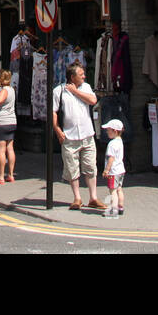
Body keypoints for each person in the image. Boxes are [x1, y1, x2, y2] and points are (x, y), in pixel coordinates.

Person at [52, 64, 104, 211]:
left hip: (87, 135)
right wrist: (57, 129)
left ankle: (93, 198)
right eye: (81, 74)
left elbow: (93, 101)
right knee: (72, 169)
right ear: (72, 77)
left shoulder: (86, 87)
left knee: (90, 167)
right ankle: (77, 198)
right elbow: (53, 111)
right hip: (69, 137)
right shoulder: (59, 91)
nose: (84, 76)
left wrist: (75, 92)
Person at [0, 70, 17, 184]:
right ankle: (10, 174)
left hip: (2, 122)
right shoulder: (11, 90)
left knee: (1, 150)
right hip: (11, 121)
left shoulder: (4, 90)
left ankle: (1, 177)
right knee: (10, 148)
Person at [102, 118, 126, 217]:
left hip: (113, 171)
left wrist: (106, 170)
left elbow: (111, 158)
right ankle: (121, 206)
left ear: (115, 131)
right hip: (121, 170)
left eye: (108, 130)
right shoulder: (120, 141)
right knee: (119, 189)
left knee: (113, 191)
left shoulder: (112, 144)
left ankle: (113, 209)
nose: (107, 132)